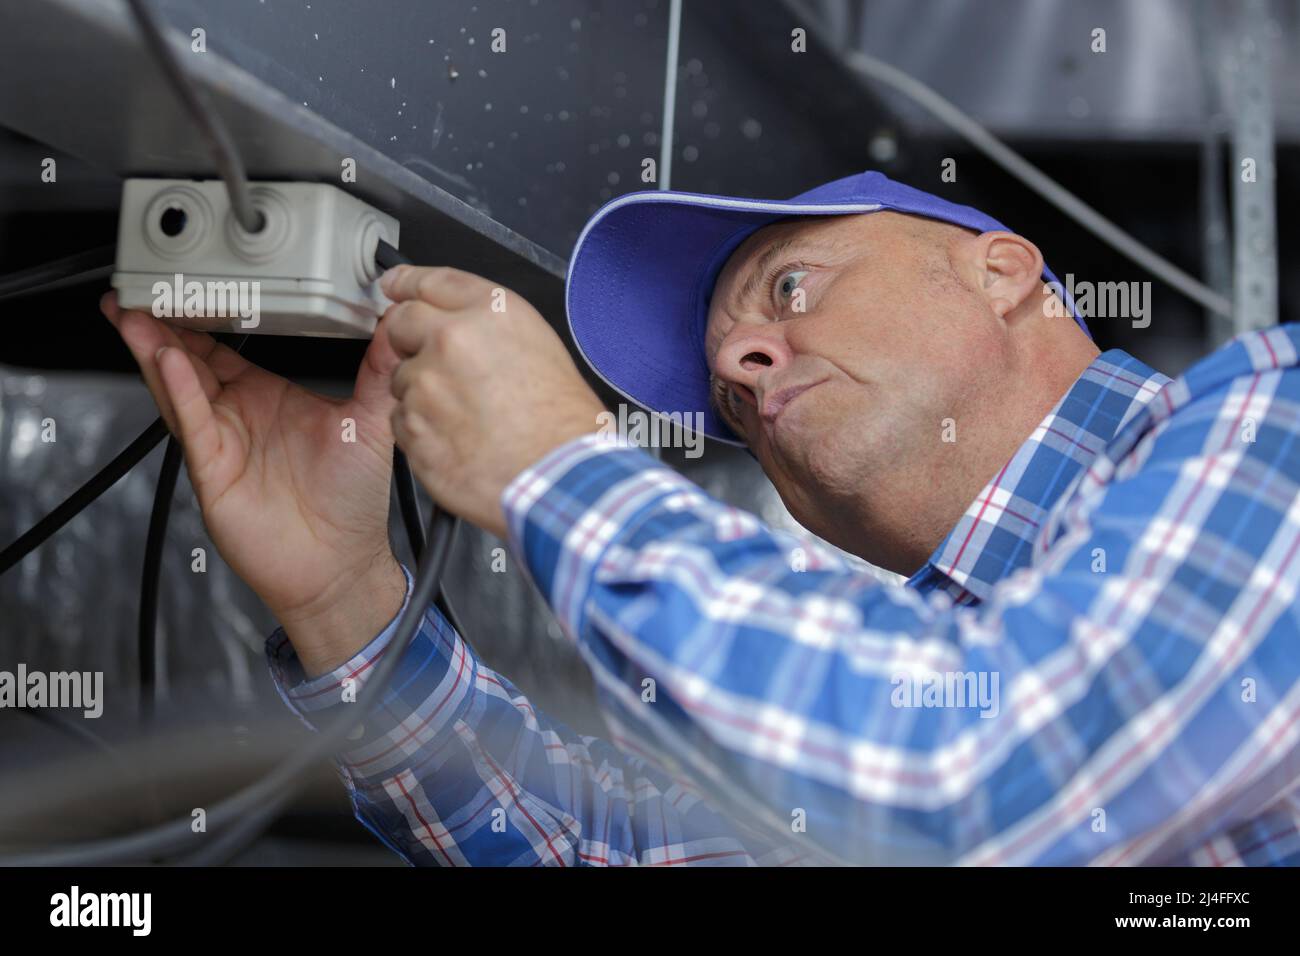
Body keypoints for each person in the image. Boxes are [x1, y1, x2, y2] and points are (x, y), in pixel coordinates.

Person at [101, 171, 1300, 866]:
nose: (739, 359)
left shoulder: (1273, 409)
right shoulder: (905, 697)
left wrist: (559, 465)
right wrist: (346, 600)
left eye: (790, 285)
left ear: (1002, 270)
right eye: (728, 392)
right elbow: (608, 852)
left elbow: (988, 772)